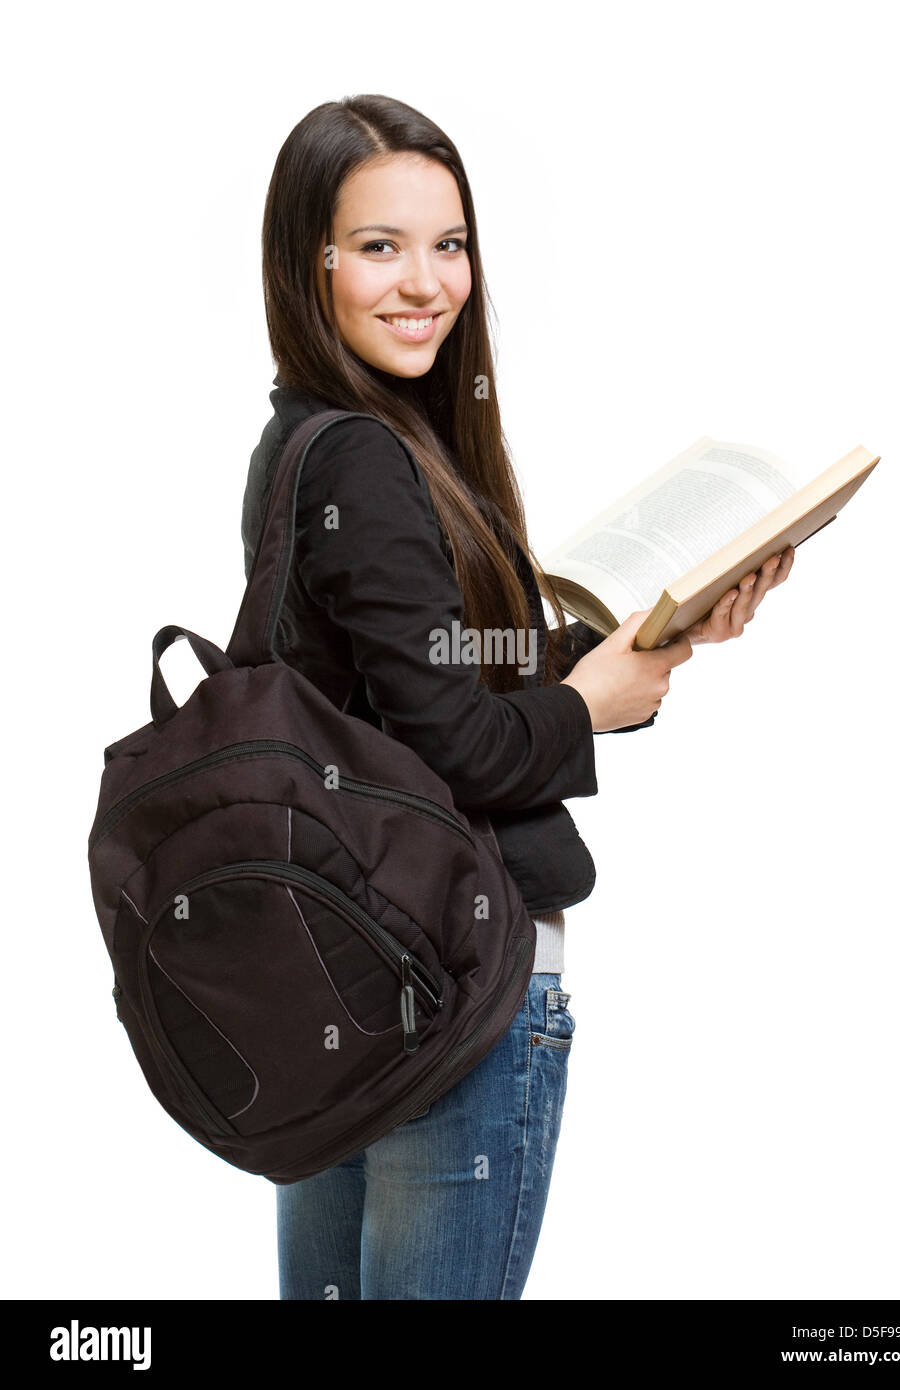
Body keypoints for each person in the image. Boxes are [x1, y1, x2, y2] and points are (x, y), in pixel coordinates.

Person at [240, 95, 794, 1301]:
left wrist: (626, 646)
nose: (427, 282)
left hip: (344, 991)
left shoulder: (306, 446)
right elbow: (466, 748)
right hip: (460, 999)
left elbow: (420, 688)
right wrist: (590, 704)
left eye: (449, 244)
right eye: (380, 246)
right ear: (310, 259)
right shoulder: (367, 458)